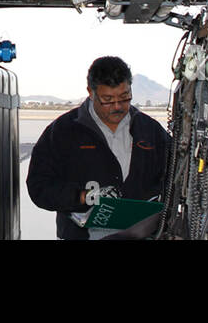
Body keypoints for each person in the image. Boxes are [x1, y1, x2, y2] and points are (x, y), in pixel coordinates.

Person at [26, 55, 172, 240]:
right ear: (91, 92)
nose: (118, 106)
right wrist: (83, 196)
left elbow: (176, 177)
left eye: (125, 97)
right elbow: (39, 188)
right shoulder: (63, 132)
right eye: (108, 100)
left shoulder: (150, 131)